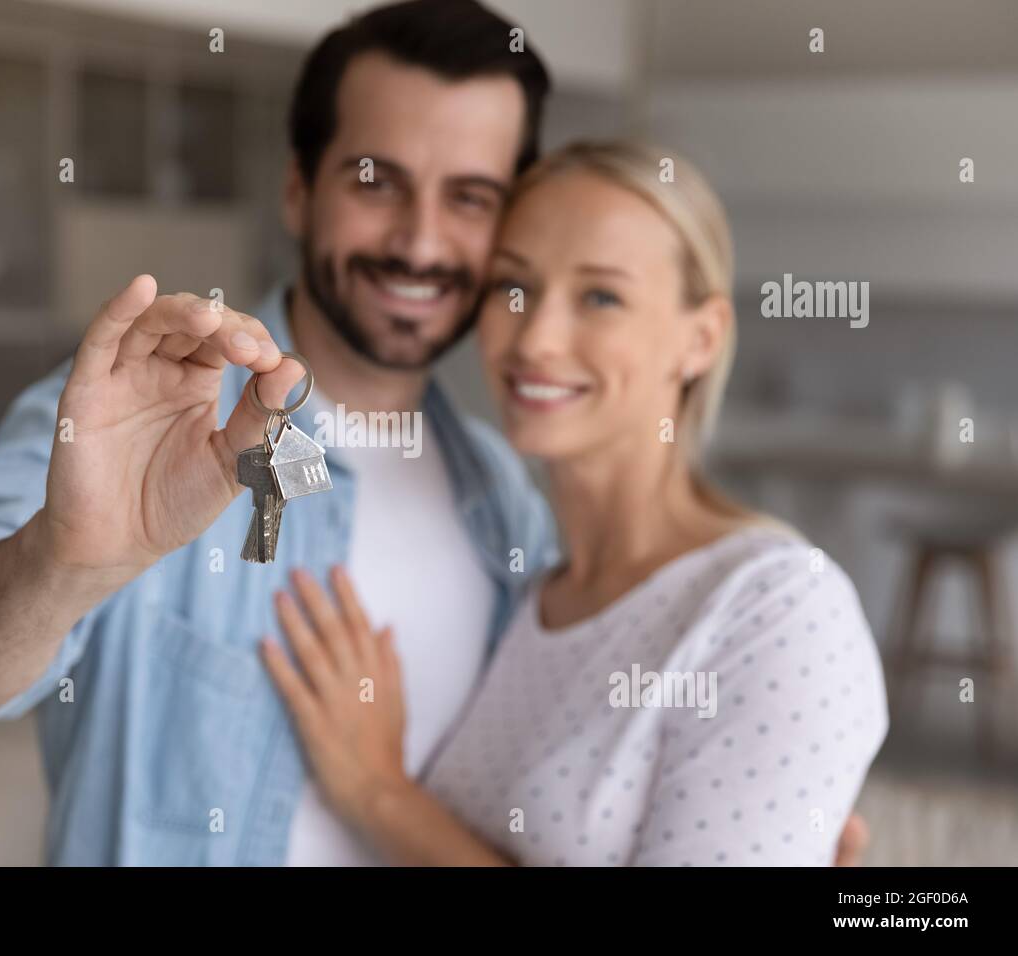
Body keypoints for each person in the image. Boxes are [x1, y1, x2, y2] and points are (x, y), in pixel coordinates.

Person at [0, 0, 557, 866]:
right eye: (376, 181)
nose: (420, 242)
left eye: (471, 198)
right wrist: (61, 567)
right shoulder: (133, 421)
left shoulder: (505, 497)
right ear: (299, 190)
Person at [260, 141, 889, 865]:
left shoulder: (777, 610)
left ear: (701, 338)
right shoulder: (529, 596)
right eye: (513, 287)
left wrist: (380, 793)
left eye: (600, 297)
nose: (536, 339)